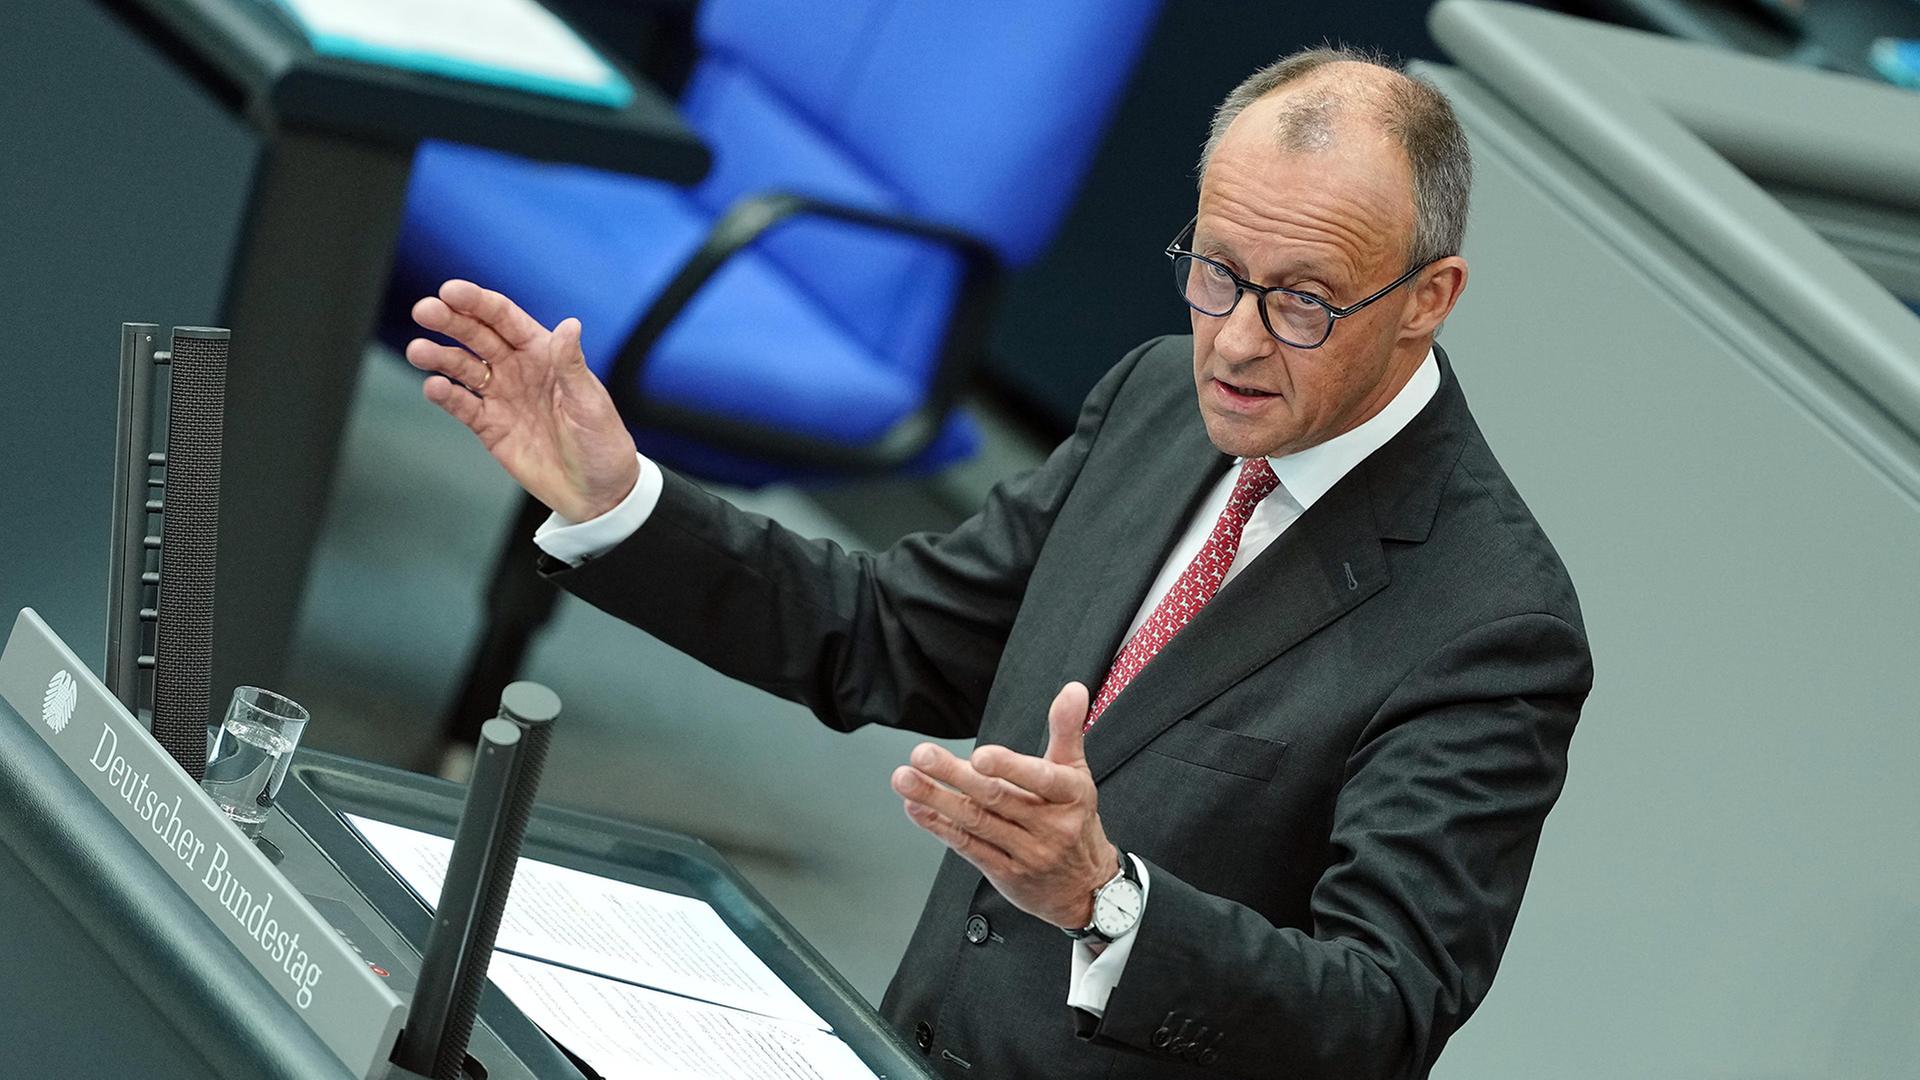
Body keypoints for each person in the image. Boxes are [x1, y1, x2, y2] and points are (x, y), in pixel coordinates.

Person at [403, 47, 1592, 1080]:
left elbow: (1382, 1018)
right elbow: (890, 634)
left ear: (1428, 299)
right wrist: (618, 500)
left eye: (1303, 304)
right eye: (1215, 270)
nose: (1231, 340)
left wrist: (1106, 902)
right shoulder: (1155, 404)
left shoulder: (1489, 622)